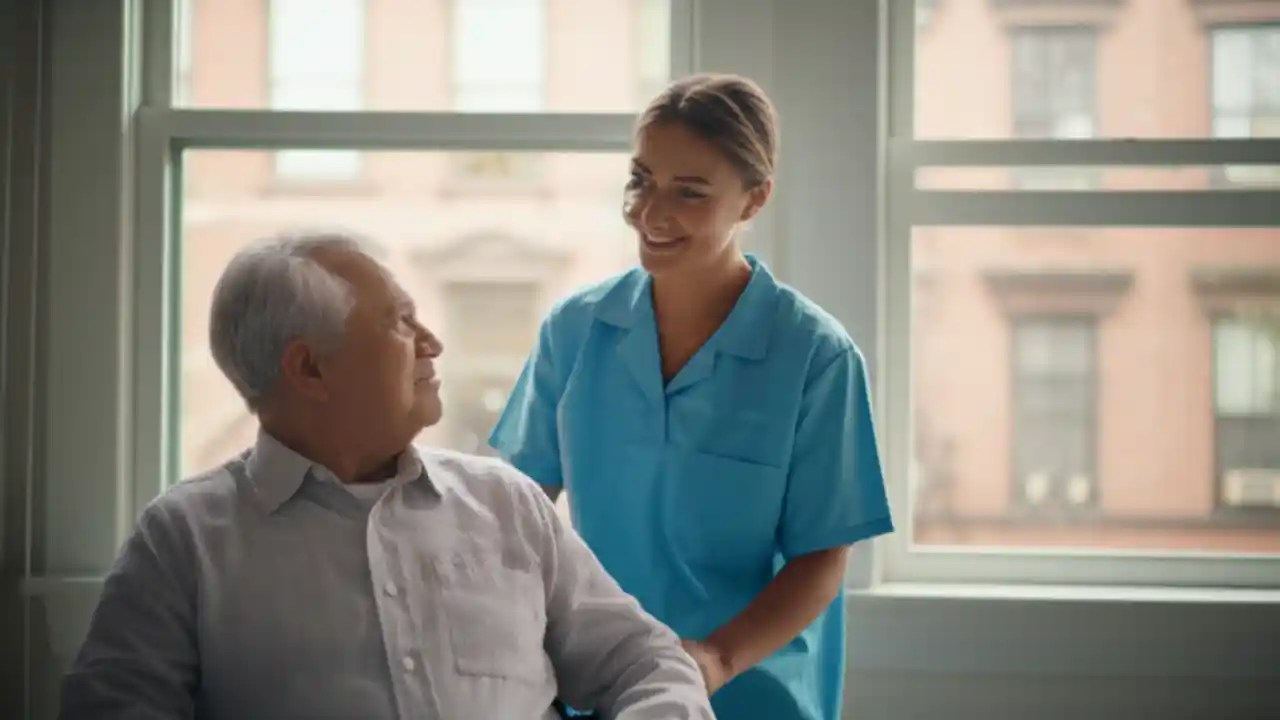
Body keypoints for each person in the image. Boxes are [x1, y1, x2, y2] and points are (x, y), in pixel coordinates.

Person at [59, 233, 714, 720]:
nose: (432, 342)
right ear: (310, 369)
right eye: (400, 322)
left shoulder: (507, 502)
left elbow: (648, 665)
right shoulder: (184, 539)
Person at [489, 74, 893, 720]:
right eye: (641, 180)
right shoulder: (574, 330)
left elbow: (821, 560)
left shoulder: (816, 357)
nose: (651, 212)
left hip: (751, 692)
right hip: (599, 687)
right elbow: (521, 509)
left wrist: (715, 659)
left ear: (753, 200)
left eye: (690, 192)